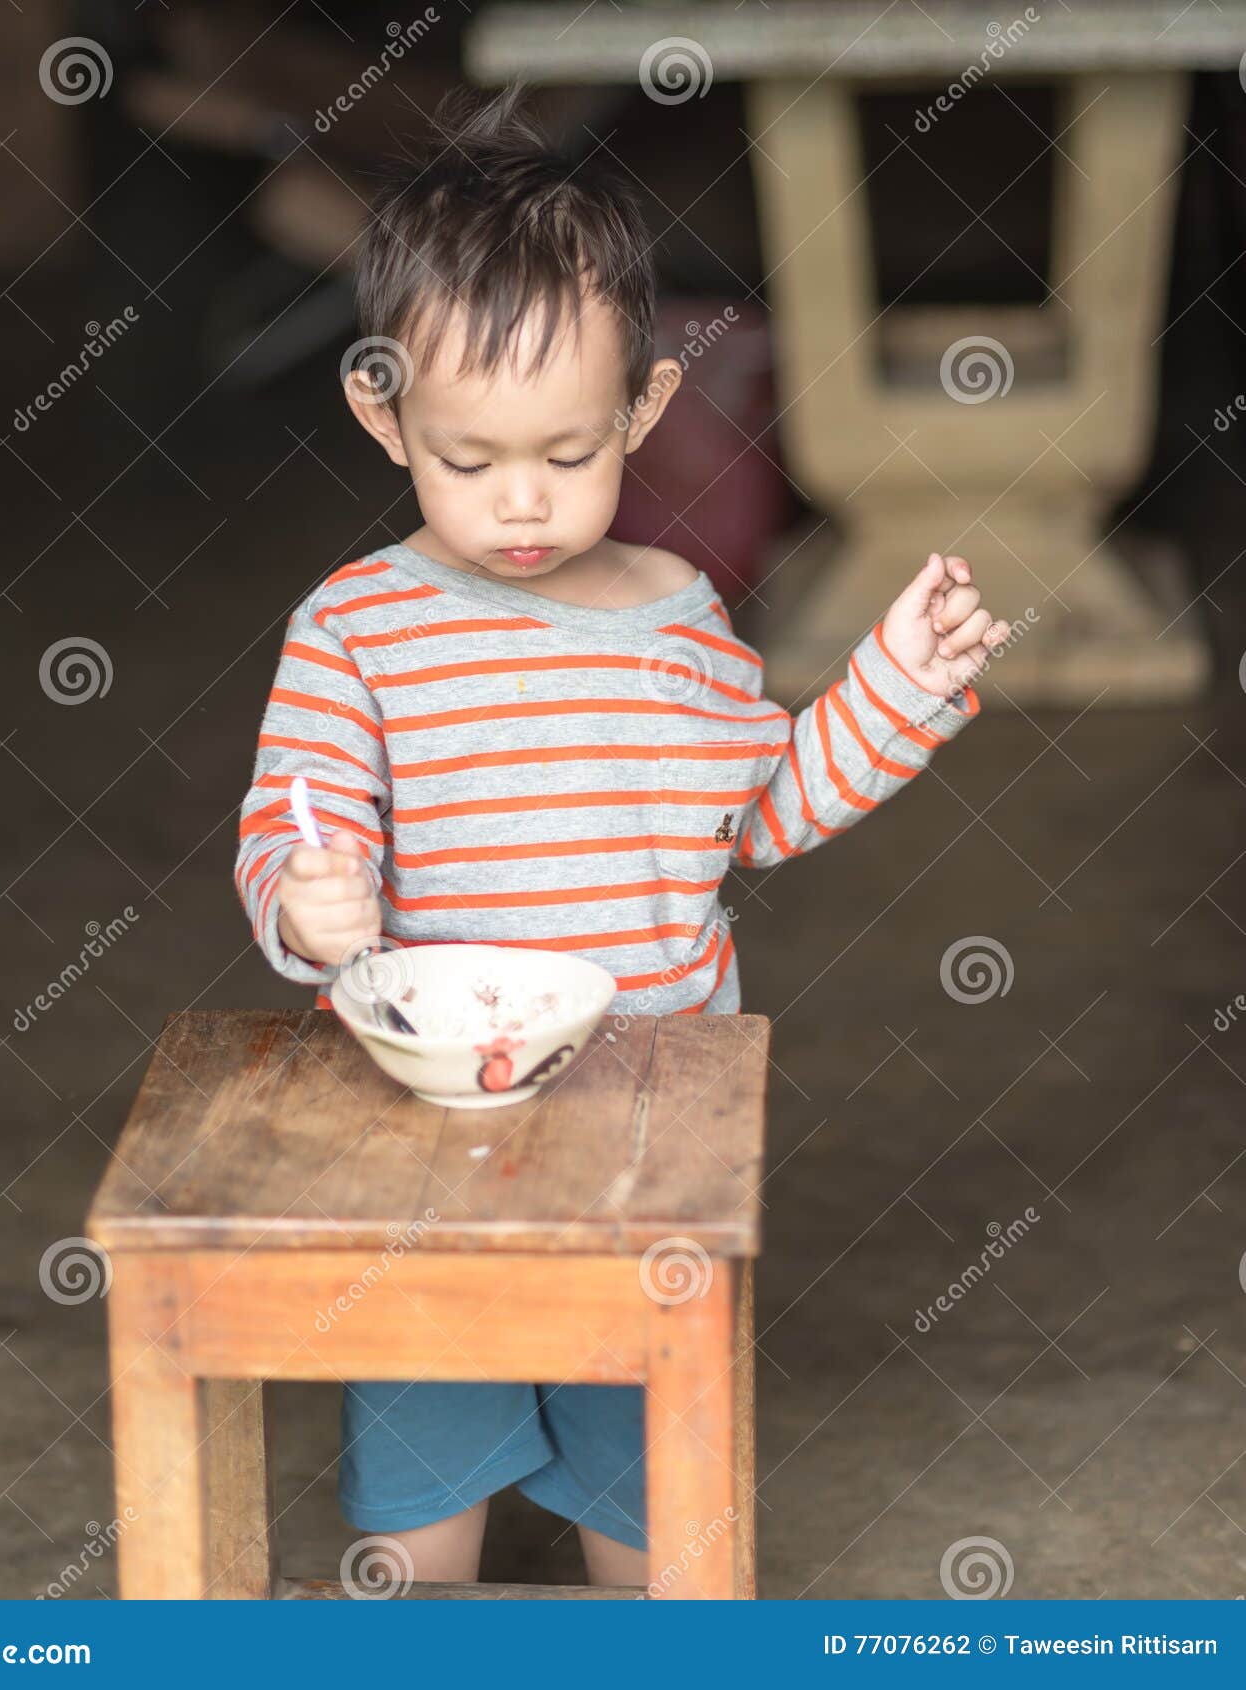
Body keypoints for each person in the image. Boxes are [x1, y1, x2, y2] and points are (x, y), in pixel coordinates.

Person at [233, 86, 1011, 1590]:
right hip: (431, 1156)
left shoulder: (678, 617)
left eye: (569, 452)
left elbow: (765, 811)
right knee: (415, 1532)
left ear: (645, 410)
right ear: (382, 409)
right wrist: (308, 905)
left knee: (654, 1519)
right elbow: (295, 836)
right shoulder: (355, 630)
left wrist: (895, 687)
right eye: (468, 459)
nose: (522, 503)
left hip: (647, 1145)